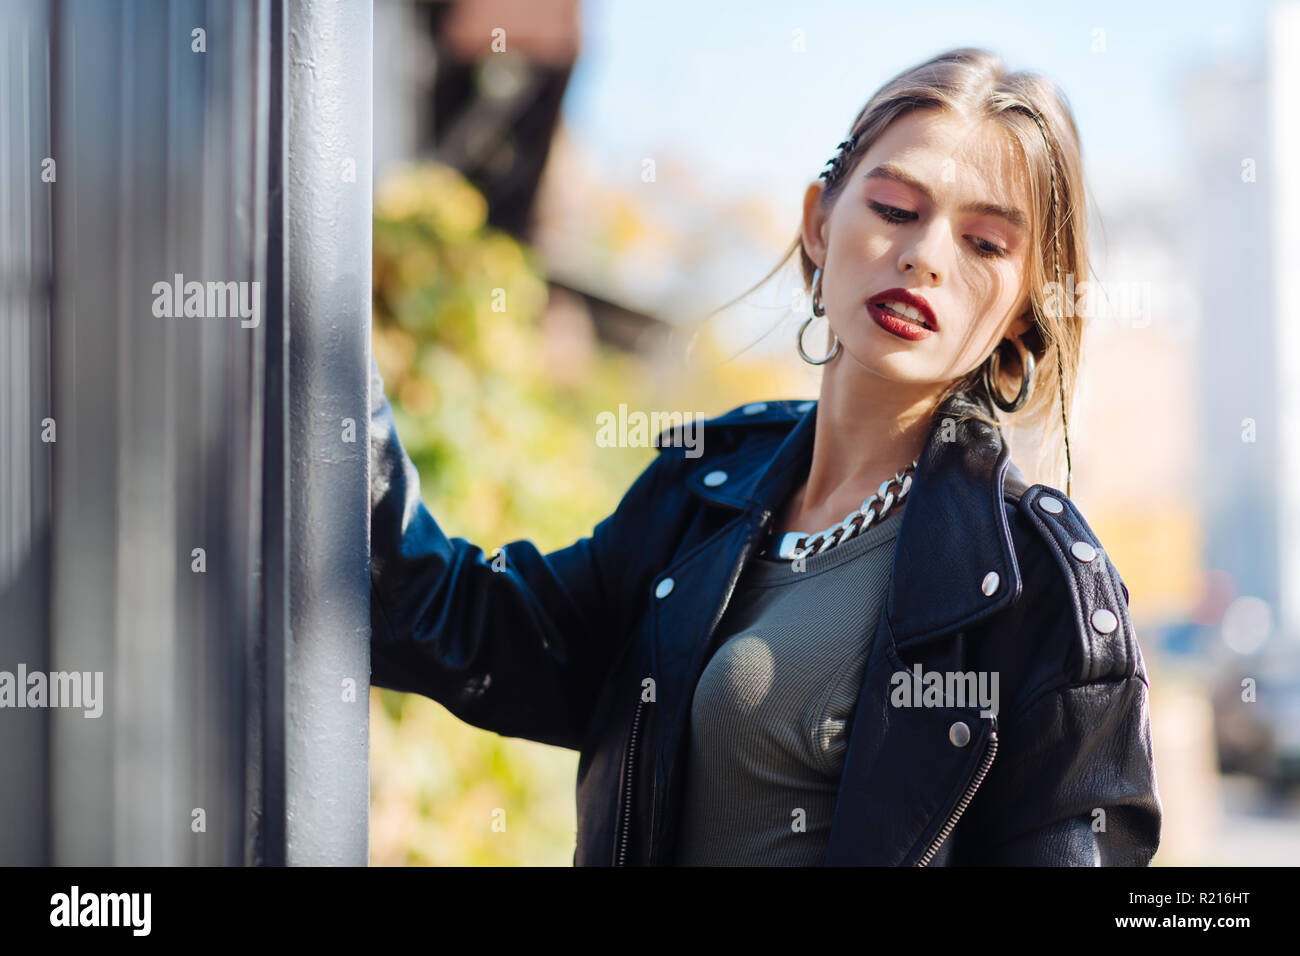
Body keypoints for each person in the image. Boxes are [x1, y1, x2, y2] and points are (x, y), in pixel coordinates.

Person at [368, 47, 1162, 866]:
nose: (925, 255)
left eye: (987, 243)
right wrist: (330, 380)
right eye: (893, 207)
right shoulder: (705, 489)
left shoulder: (1038, 582)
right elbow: (462, 627)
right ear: (820, 222)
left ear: (1026, 310)